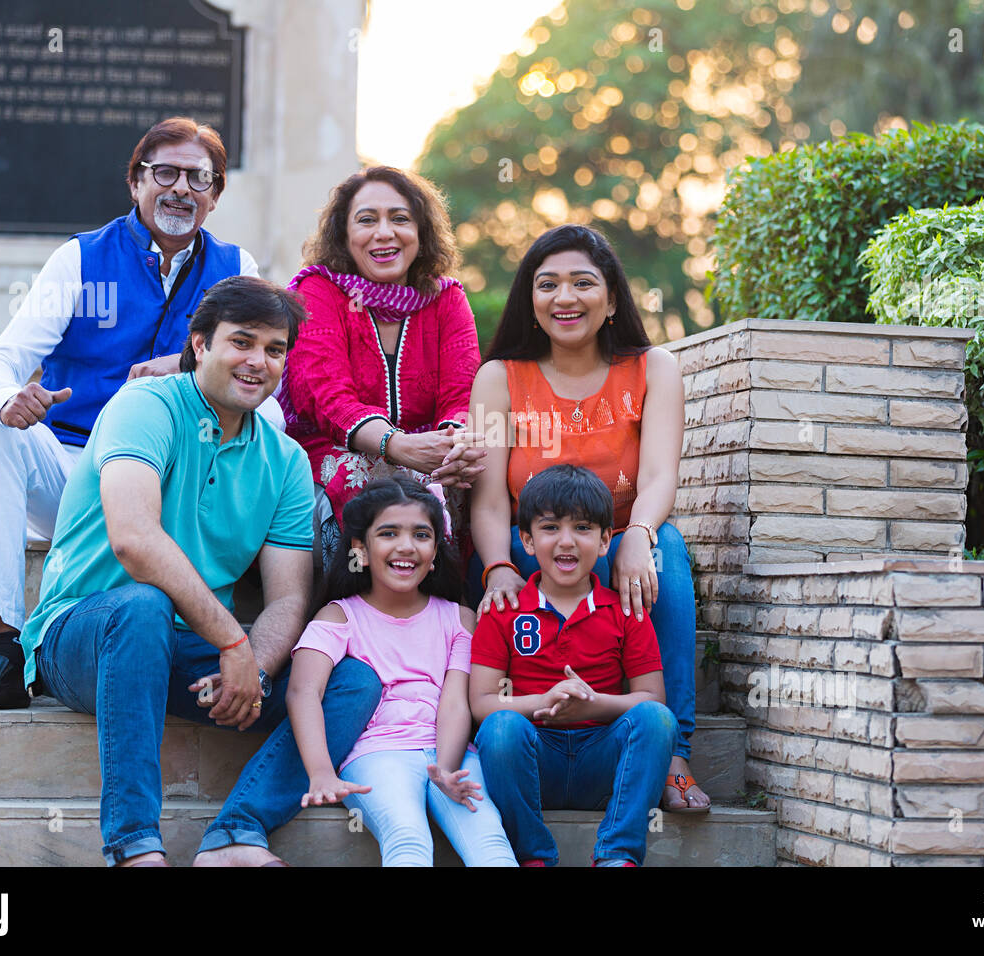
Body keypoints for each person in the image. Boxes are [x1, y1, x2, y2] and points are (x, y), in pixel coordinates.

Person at [16, 277, 381, 866]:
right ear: (200, 345)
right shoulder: (146, 406)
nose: (258, 361)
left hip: (189, 651)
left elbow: (289, 598)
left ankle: (236, 834)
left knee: (353, 681)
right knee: (142, 606)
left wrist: (254, 671)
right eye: (242, 342)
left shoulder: (284, 460)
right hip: (81, 635)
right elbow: (135, 542)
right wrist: (233, 640)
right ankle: (134, 846)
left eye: (275, 349)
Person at [0, 117, 270, 711]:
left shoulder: (234, 265)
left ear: (216, 194)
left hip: (172, 486)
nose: (181, 189)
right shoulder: (80, 258)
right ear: (135, 182)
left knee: (266, 420)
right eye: (164, 172)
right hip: (77, 477)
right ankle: (4, 647)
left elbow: (266, 372)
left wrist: (185, 367)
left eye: (199, 178)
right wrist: (8, 398)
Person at [467, 223, 710, 813]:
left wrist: (639, 537)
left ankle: (674, 751)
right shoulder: (500, 378)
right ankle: (520, 733)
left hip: (623, 534)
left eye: (582, 283)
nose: (564, 298)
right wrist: (498, 565)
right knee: (523, 555)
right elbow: (493, 498)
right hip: (531, 546)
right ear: (530, 299)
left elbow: (657, 478)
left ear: (610, 300)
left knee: (667, 552)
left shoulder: (655, 368)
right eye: (547, 284)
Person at [289, 477, 516, 867]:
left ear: (435, 552)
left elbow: (455, 703)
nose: (406, 546)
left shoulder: (458, 618)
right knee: (408, 837)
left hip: (453, 751)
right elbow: (302, 692)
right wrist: (321, 772)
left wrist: (445, 768)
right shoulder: (339, 615)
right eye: (388, 533)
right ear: (360, 547)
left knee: (490, 842)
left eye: (421, 535)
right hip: (378, 753)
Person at [277, 166, 484, 576]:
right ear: (343, 235)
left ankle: (453, 618)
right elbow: (323, 394)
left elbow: (462, 393)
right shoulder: (317, 291)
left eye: (400, 219)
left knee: (477, 474)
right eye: (367, 220)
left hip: (432, 456)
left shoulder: (447, 299)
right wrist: (398, 446)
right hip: (335, 451)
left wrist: (451, 445)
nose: (384, 232)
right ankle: (348, 614)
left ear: (421, 232)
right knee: (370, 479)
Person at [471, 465, 675, 866]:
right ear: (527, 541)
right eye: (550, 528)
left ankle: (617, 854)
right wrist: (545, 700)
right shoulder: (503, 612)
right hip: (533, 760)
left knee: (657, 721)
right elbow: (481, 701)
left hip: (602, 759)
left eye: (582, 528)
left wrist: (592, 704)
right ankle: (533, 855)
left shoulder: (625, 612)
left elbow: (653, 697)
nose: (566, 541)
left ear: (604, 542)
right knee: (499, 728)